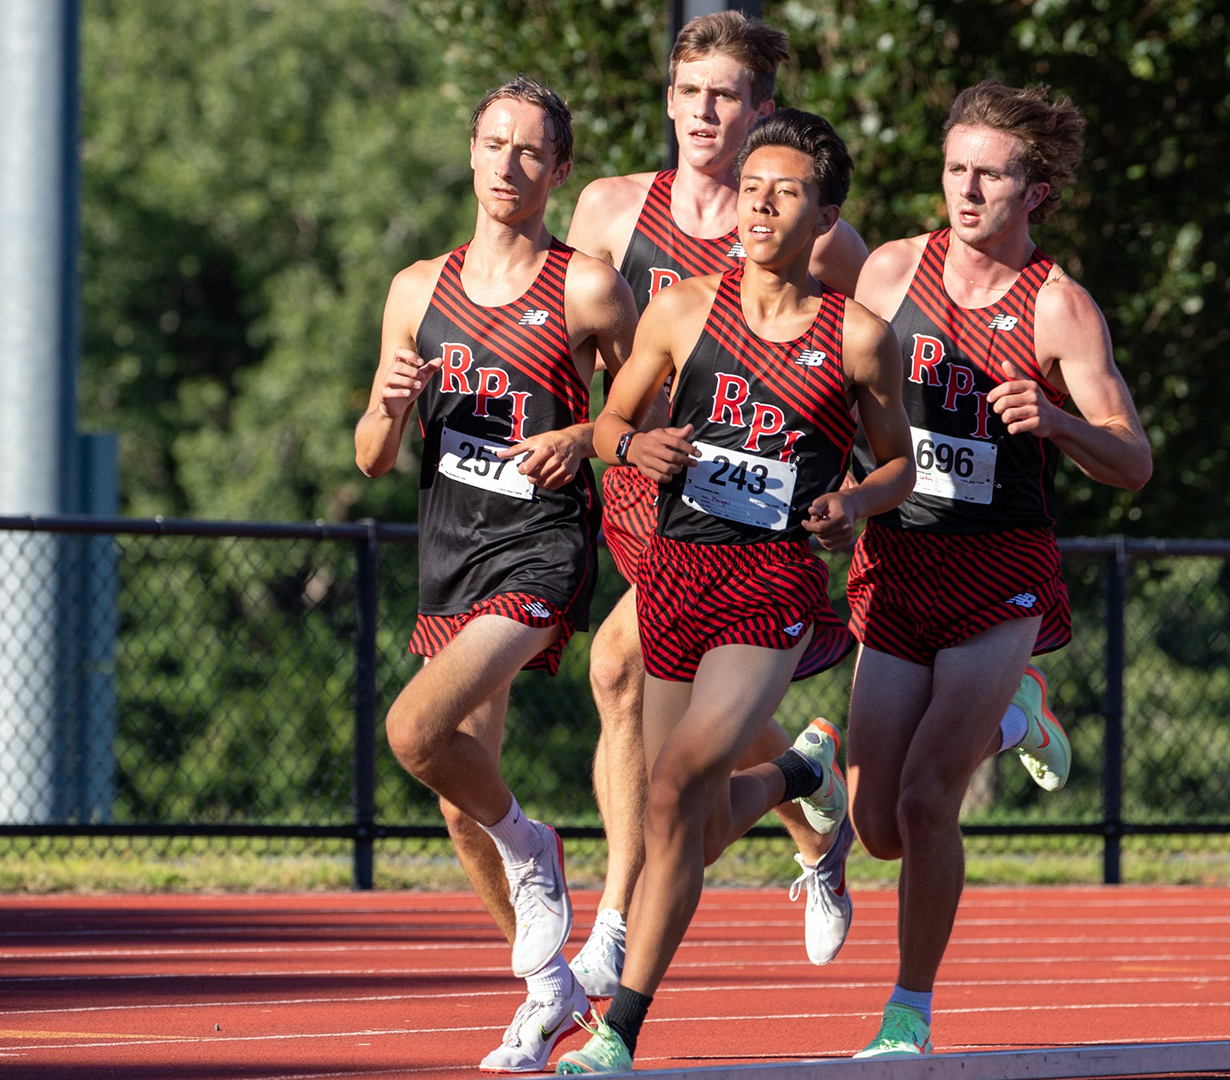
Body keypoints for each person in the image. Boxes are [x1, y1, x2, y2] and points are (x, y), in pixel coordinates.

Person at [554, 109, 914, 1074]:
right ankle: (800, 775)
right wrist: (635, 444)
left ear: (825, 217)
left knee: (669, 787)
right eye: (752, 187)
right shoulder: (681, 311)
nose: (758, 205)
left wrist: (854, 502)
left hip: (772, 586)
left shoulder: (861, 340)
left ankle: (617, 1033)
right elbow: (607, 423)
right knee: (695, 827)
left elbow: (901, 469)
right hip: (678, 573)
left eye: (784, 192)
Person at [842, 80, 1153, 1059]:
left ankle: (908, 1014)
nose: (967, 190)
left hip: (999, 571)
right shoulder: (890, 272)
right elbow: (827, 388)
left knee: (933, 795)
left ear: (1037, 192)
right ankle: (1020, 710)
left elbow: (1132, 460)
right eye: (956, 169)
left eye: (992, 174)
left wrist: (1057, 419)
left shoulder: (1057, 308)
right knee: (878, 824)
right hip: (897, 560)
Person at [355, 76, 638, 1073]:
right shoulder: (414, 289)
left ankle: (536, 848)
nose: (508, 165)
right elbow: (371, 460)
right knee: (451, 789)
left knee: (411, 729)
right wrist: (387, 405)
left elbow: (643, 421)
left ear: (558, 171)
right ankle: (548, 991)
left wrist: (581, 432)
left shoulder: (588, 285)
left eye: (530, 151)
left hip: (542, 546)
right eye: (494, 144)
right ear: (470, 152)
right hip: (449, 547)